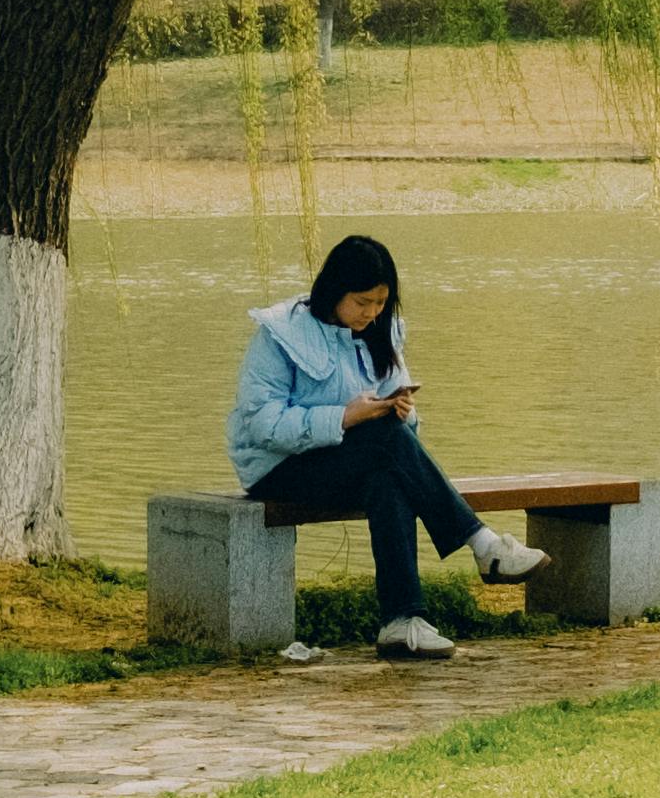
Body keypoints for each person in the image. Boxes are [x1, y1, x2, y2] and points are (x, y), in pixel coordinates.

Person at [229, 233, 546, 661]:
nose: (372, 313)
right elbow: (261, 423)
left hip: (362, 457)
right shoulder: (280, 333)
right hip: (279, 468)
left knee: (388, 475)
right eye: (362, 302)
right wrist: (345, 417)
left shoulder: (382, 330)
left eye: (380, 303)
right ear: (334, 290)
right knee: (384, 448)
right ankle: (483, 545)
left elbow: (401, 424)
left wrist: (402, 410)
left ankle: (403, 622)